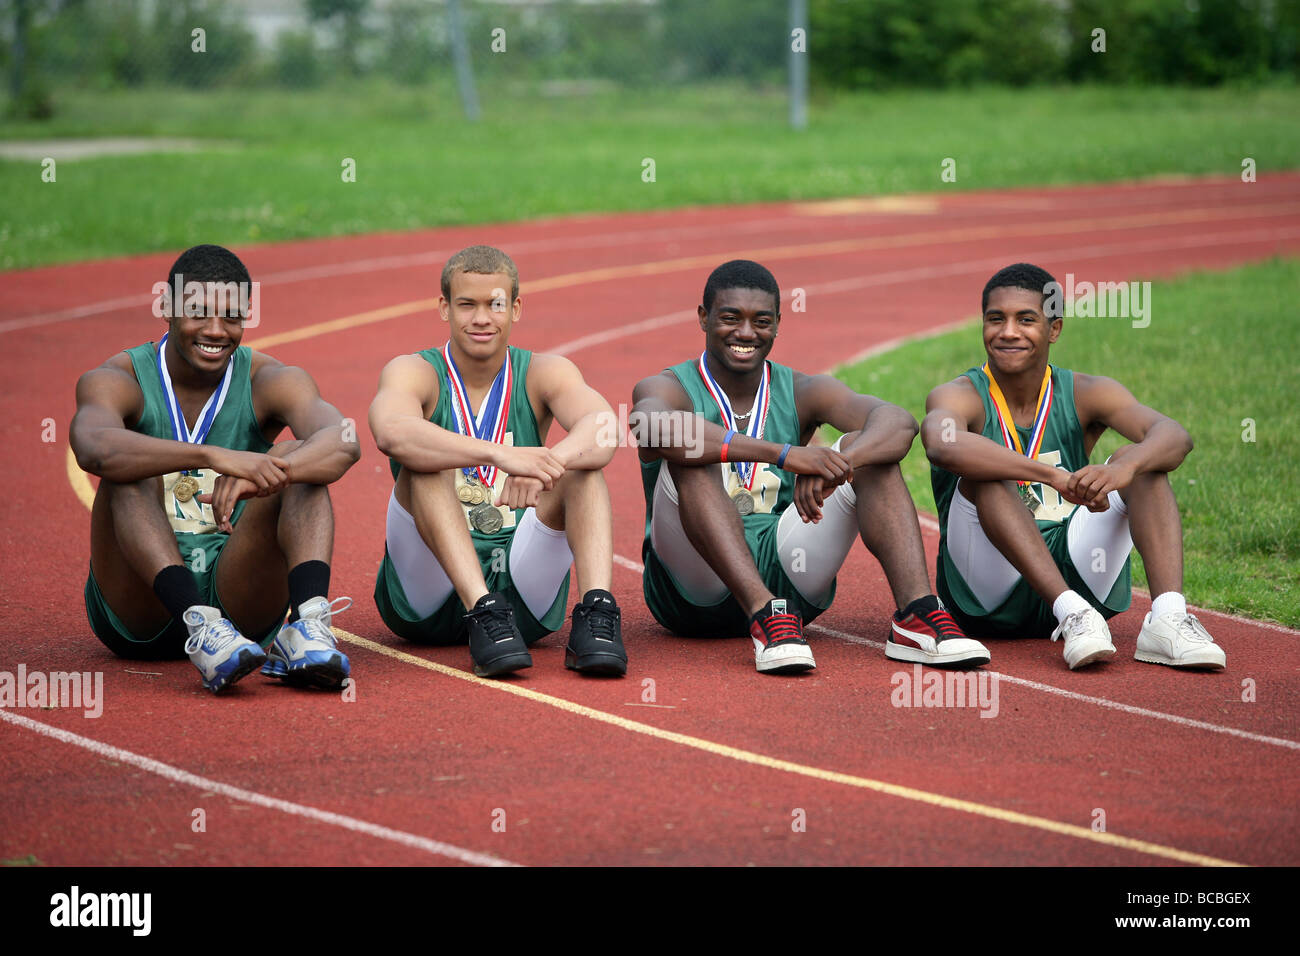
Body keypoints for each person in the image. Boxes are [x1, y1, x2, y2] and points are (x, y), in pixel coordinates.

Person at [630, 259, 989, 674]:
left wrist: (837, 465)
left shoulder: (803, 389)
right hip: (693, 589)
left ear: (778, 324)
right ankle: (762, 613)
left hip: (787, 577)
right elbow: (652, 426)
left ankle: (917, 616)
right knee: (692, 451)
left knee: (871, 450)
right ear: (703, 317)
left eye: (761, 321)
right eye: (730, 318)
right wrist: (784, 454)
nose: (746, 333)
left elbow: (898, 422)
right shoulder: (667, 386)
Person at [70, 244, 361, 693]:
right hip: (140, 605)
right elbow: (93, 449)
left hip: (237, 597)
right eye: (199, 313)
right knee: (128, 466)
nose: (215, 330)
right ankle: (199, 626)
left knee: (299, 465)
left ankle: (304, 628)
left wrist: (265, 471)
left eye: (231, 317)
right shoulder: (117, 377)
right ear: (166, 308)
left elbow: (344, 442)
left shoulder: (270, 378)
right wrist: (210, 456)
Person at [921, 262, 1226, 670]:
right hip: (989, 588)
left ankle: (1168, 619)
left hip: (1075, 565)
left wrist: (1124, 469)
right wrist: (1052, 475)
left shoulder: (1087, 391)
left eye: (1026, 319)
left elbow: (1172, 435)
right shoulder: (959, 394)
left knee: (1144, 465)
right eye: (996, 319)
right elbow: (942, 444)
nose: (1008, 331)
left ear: (1054, 329)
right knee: (987, 477)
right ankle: (1073, 614)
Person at [369, 245, 627, 678]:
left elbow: (604, 428)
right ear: (444, 308)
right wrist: (499, 454)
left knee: (583, 472)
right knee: (424, 464)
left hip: (520, 584)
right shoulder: (416, 370)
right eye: (466, 305)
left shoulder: (544, 370)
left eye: (495, 304)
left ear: (516, 308)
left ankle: (598, 615)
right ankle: (481, 608)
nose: (482, 318)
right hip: (427, 590)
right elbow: (391, 432)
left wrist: (549, 463)